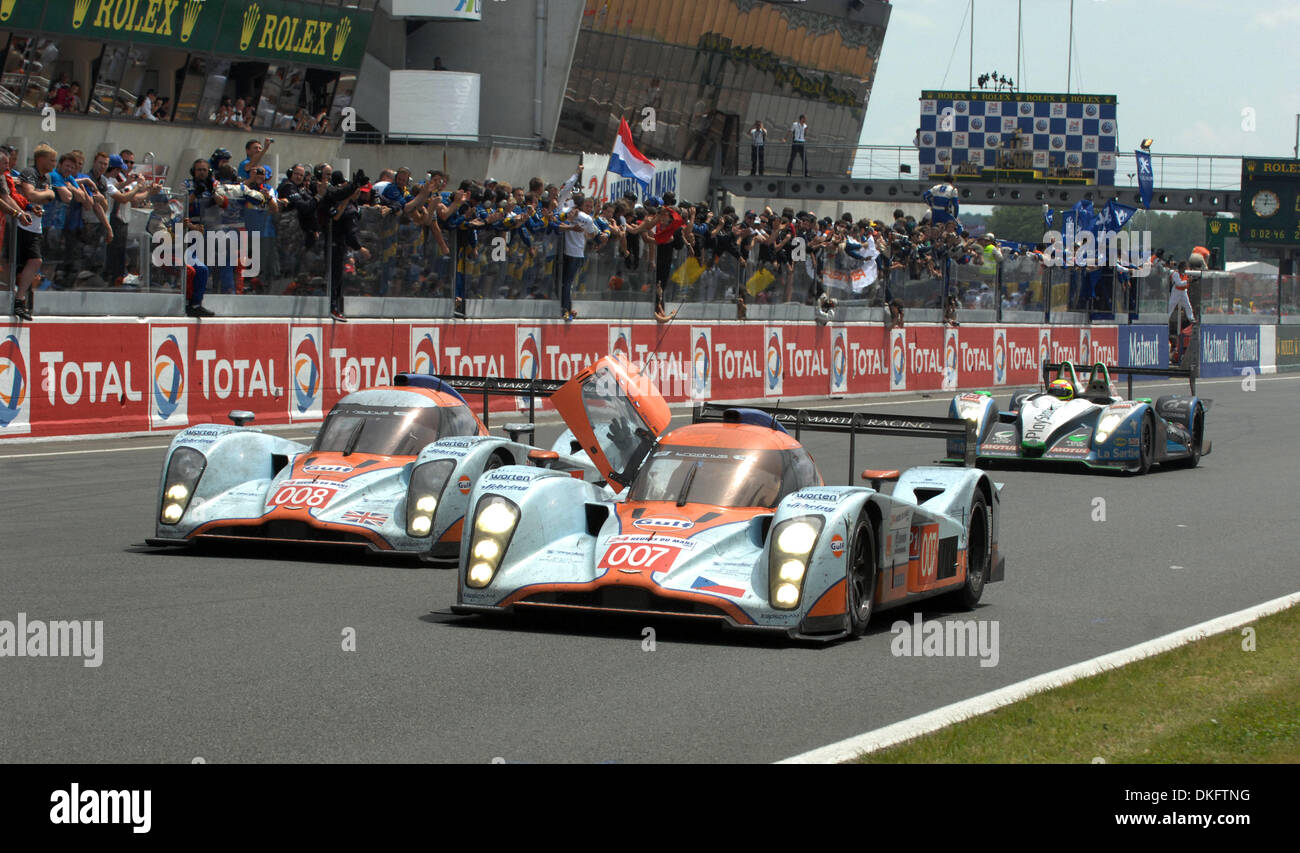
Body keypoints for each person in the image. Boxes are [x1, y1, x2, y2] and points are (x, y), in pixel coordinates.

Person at [13, 143, 57, 319]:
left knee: (35, 260)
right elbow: (30, 195)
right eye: (52, 160)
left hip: (35, 226)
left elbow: (48, 198)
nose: (54, 164)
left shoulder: (46, 178)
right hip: (20, 224)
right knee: (13, 263)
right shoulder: (29, 173)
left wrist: (45, 195)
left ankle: (20, 298)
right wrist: (45, 194)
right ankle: (14, 297)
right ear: (41, 159)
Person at [557, 193, 598, 321]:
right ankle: (566, 308)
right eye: (587, 205)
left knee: (567, 283)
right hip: (571, 252)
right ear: (581, 205)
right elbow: (592, 234)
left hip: (574, 252)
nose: (589, 208)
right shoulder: (582, 217)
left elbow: (591, 234)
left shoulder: (569, 213)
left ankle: (567, 308)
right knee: (567, 283)